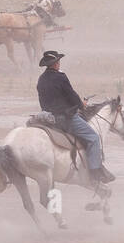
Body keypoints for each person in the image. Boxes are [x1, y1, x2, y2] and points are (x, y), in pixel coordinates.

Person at [37, 50, 111, 182]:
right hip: (65, 119)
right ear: (56, 64)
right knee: (93, 138)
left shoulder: (41, 80)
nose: (59, 64)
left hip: (49, 119)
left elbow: (43, 102)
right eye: (58, 61)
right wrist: (81, 104)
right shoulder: (61, 77)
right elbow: (72, 96)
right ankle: (95, 172)